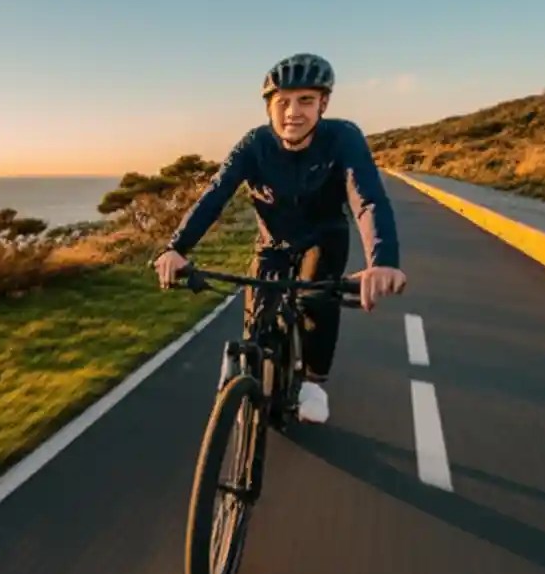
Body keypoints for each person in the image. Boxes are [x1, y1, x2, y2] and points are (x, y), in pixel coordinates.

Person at [152, 53, 407, 424]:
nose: (293, 112)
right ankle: (241, 375)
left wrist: (382, 262)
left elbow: (367, 199)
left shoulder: (343, 137)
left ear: (323, 104)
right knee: (255, 320)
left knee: (317, 300)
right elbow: (215, 195)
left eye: (305, 100)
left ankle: (314, 382)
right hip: (272, 243)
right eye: (282, 102)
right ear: (269, 107)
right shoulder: (253, 145)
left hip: (324, 238)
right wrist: (176, 248)